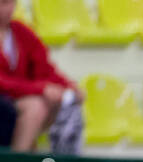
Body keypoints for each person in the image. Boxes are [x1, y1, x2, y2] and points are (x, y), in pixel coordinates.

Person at [0, 0, 83, 153]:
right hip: (6, 100)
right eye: (3, 3)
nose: (7, 8)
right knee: (36, 106)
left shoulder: (22, 32)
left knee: (63, 102)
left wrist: (68, 87)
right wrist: (40, 89)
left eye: (10, 3)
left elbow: (44, 69)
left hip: (17, 97)